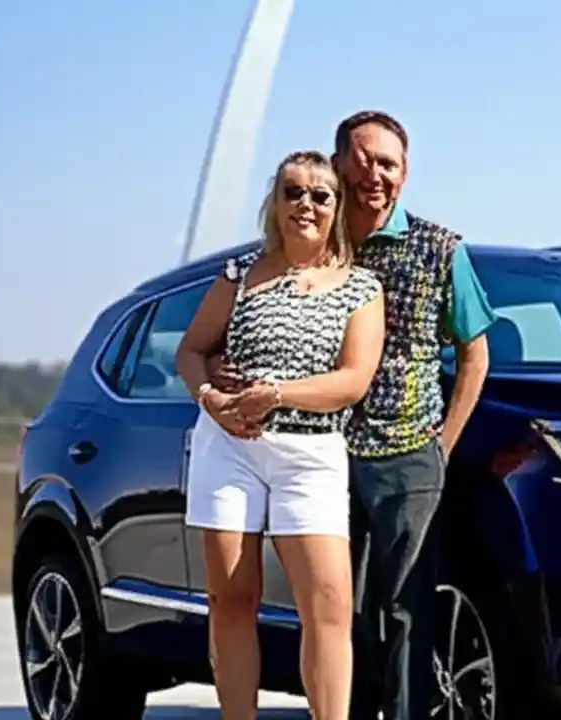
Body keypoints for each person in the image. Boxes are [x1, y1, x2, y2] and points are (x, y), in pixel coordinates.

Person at [176, 149, 386, 720]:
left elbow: (352, 381)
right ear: (275, 202)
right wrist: (211, 398)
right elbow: (191, 350)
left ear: (336, 206)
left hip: (312, 453)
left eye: (321, 195)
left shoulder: (360, 287)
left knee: (328, 603)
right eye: (294, 192)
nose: (306, 205)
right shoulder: (239, 273)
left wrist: (277, 393)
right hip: (230, 448)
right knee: (232, 599)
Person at [332, 110, 497, 720]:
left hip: (409, 456)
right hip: (325, 453)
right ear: (338, 163)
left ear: (405, 173)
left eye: (389, 164)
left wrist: (441, 446)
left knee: (405, 606)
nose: (375, 174)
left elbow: (474, 354)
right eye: (364, 159)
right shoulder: (321, 245)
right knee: (335, 606)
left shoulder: (441, 249)